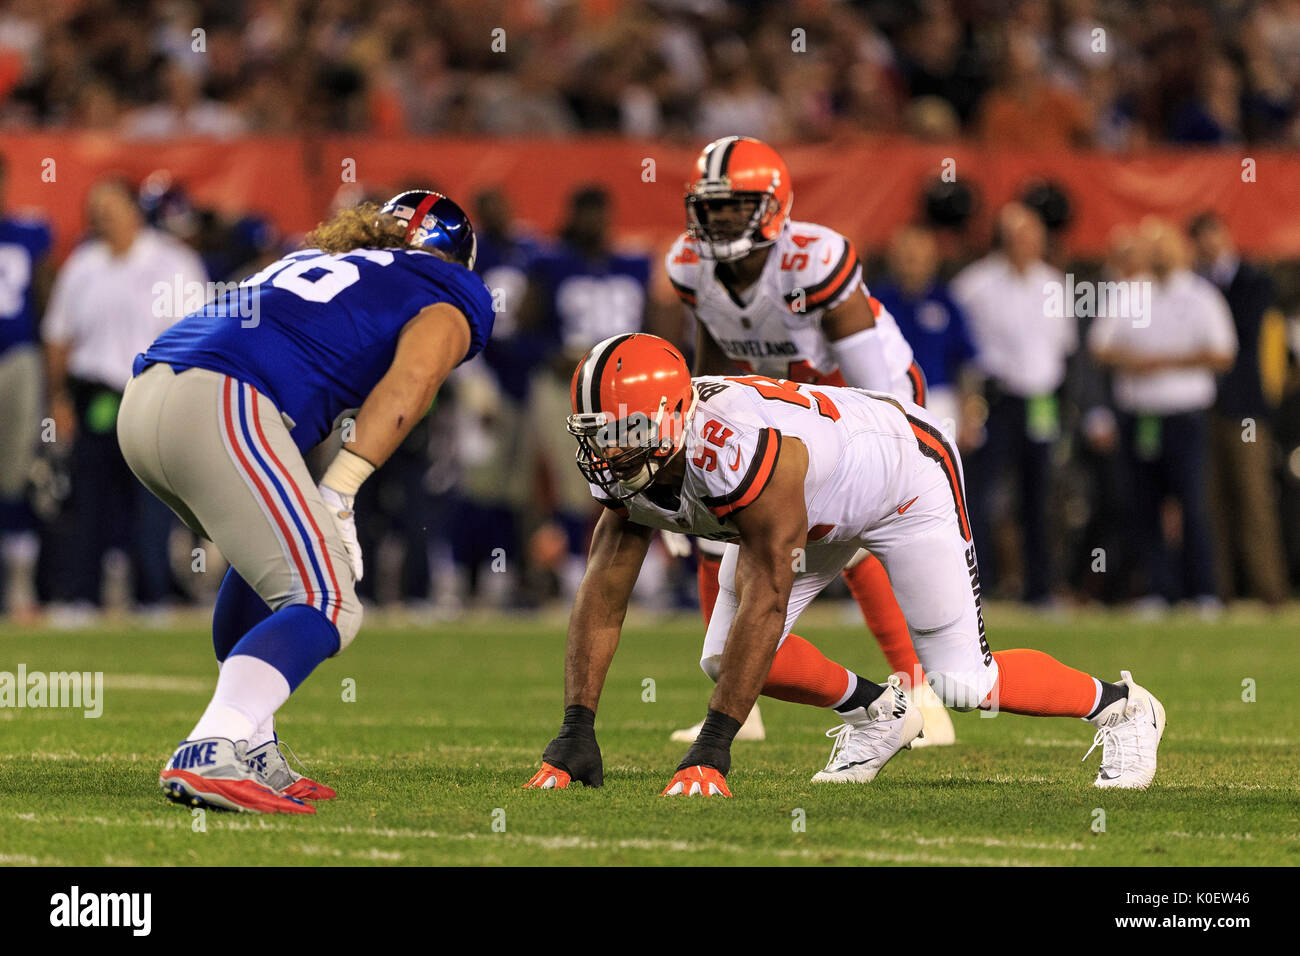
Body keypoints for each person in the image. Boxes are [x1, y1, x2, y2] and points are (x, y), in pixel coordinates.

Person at [524, 334, 1164, 796]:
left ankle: (1124, 707)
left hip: (905, 476)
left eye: (624, 430)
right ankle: (880, 712)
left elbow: (767, 600)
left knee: (965, 684)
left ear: (670, 420)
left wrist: (711, 750)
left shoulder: (732, 450)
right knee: (725, 659)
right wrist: (576, 729)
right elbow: (603, 594)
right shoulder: (632, 461)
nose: (609, 450)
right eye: (598, 432)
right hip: (815, 501)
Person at [117, 190, 494, 813]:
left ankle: (253, 746)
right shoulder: (446, 287)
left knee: (269, 563)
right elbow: (414, 380)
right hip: (224, 400)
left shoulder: (308, 262)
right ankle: (213, 745)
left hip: (149, 399)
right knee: (329, 597)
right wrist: (341, 491)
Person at [663, 136, 954, 748]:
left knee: (854, 539)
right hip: (786, 403)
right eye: (709, 206)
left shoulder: (813, 259)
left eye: (733, 205)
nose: (717, 219)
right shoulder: (689, 266)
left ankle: (919, 692)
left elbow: (872, 385)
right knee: (718, 530)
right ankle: (739, 703)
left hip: (868, 399)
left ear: (773, 206)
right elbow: (715, 375)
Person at [42, 177, 208, 619]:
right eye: (94, 208)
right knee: (88, 496)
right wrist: (57, 397)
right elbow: (58, 336)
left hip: (154, 391)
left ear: (134, 209)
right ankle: (82, 595)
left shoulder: (174, 263)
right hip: (96, 393)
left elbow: (199, 337)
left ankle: (151, 595)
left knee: (150, 499)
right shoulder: (83, 265)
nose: (101, 216)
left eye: (109, 206)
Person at [1089, 217, 1237, 610]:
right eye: (1150, 246)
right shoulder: (1128, 293)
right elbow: (1100, 346)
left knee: (1192, 501)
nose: (1158, 253)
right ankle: (1159, 588)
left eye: (1164, 244)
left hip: (1185, 414)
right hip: (1141, 415)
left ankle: (1202, 590)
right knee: (1144, 503)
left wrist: (1166, 362)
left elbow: (1223, 353)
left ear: (1180, 249)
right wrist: (1134, 360)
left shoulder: (1201, 295)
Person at [951, 202, 1076, 604]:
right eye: (1017, 237)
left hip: (1041, 399)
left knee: (1039, 494)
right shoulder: (974, 284)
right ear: (1003, 239)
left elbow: (1064, 347)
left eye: (1032, 236)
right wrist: (969, 405)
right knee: (981, 494)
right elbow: (963, 355)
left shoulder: (1055, 284)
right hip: (996, 396)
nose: (1026, 244)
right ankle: (978, 586)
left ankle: (1040, 588)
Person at [1187, 211, 1289, 606]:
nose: (1209, 244)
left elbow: (1242, 338)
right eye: (1201, 237)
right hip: (1201, 404)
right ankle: (1219, 590)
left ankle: (1270, 590)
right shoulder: (1193, 283)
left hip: (1245, 407)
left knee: (1254, 498)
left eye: (1213, 234)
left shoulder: (1254, 279)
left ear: (1225, 235)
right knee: (1212, 501)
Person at [0, 152, 53, 620]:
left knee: (18, 471)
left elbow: (44, 295)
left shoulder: (29, 233)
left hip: (18, 359)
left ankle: (20, 583)